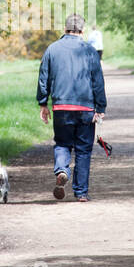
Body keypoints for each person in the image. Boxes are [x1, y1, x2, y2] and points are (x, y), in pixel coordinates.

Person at [37, 13, 106, 202]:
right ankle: (81, 192)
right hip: (85, 108)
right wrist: (100, 108)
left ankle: (61, 169)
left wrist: (43, 103)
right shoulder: (90, 51)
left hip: (61, 107)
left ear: (65, 29)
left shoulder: (52, 49)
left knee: (62, 143)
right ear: (82, 31)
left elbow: (43, 78)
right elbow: (97, 82)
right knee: (83, 149)